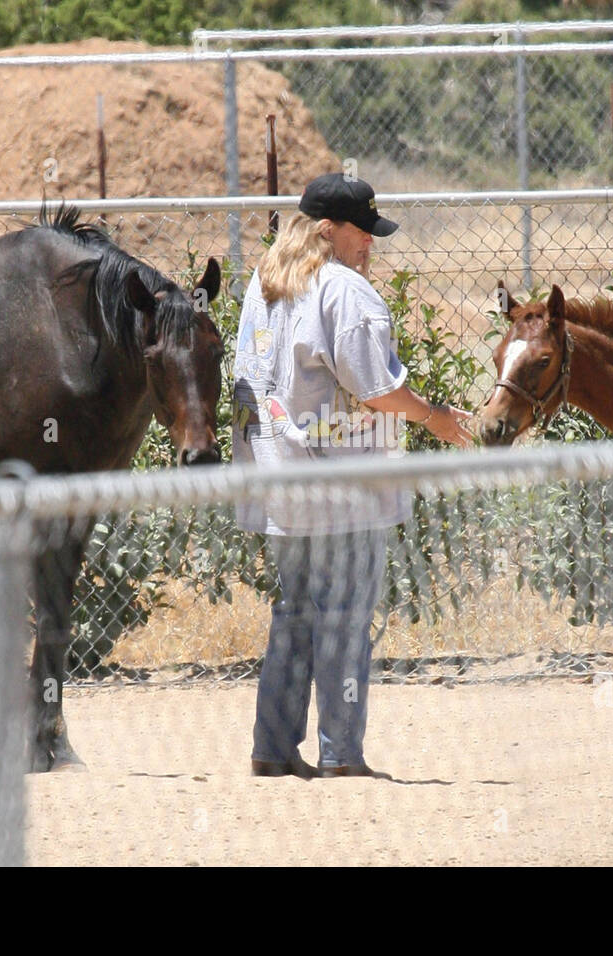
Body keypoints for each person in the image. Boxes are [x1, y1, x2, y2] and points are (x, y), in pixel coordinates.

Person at [232, 172, 473, 778]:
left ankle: (273, 749)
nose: (370, 242)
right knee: (343, 614)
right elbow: (380, 389)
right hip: (344, 484)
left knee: (294, 613)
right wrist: (436, 418)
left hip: (278, 479)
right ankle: (341, 756)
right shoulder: (344, 291)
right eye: (361, 231)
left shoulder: (265, 284)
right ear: (325, 230)